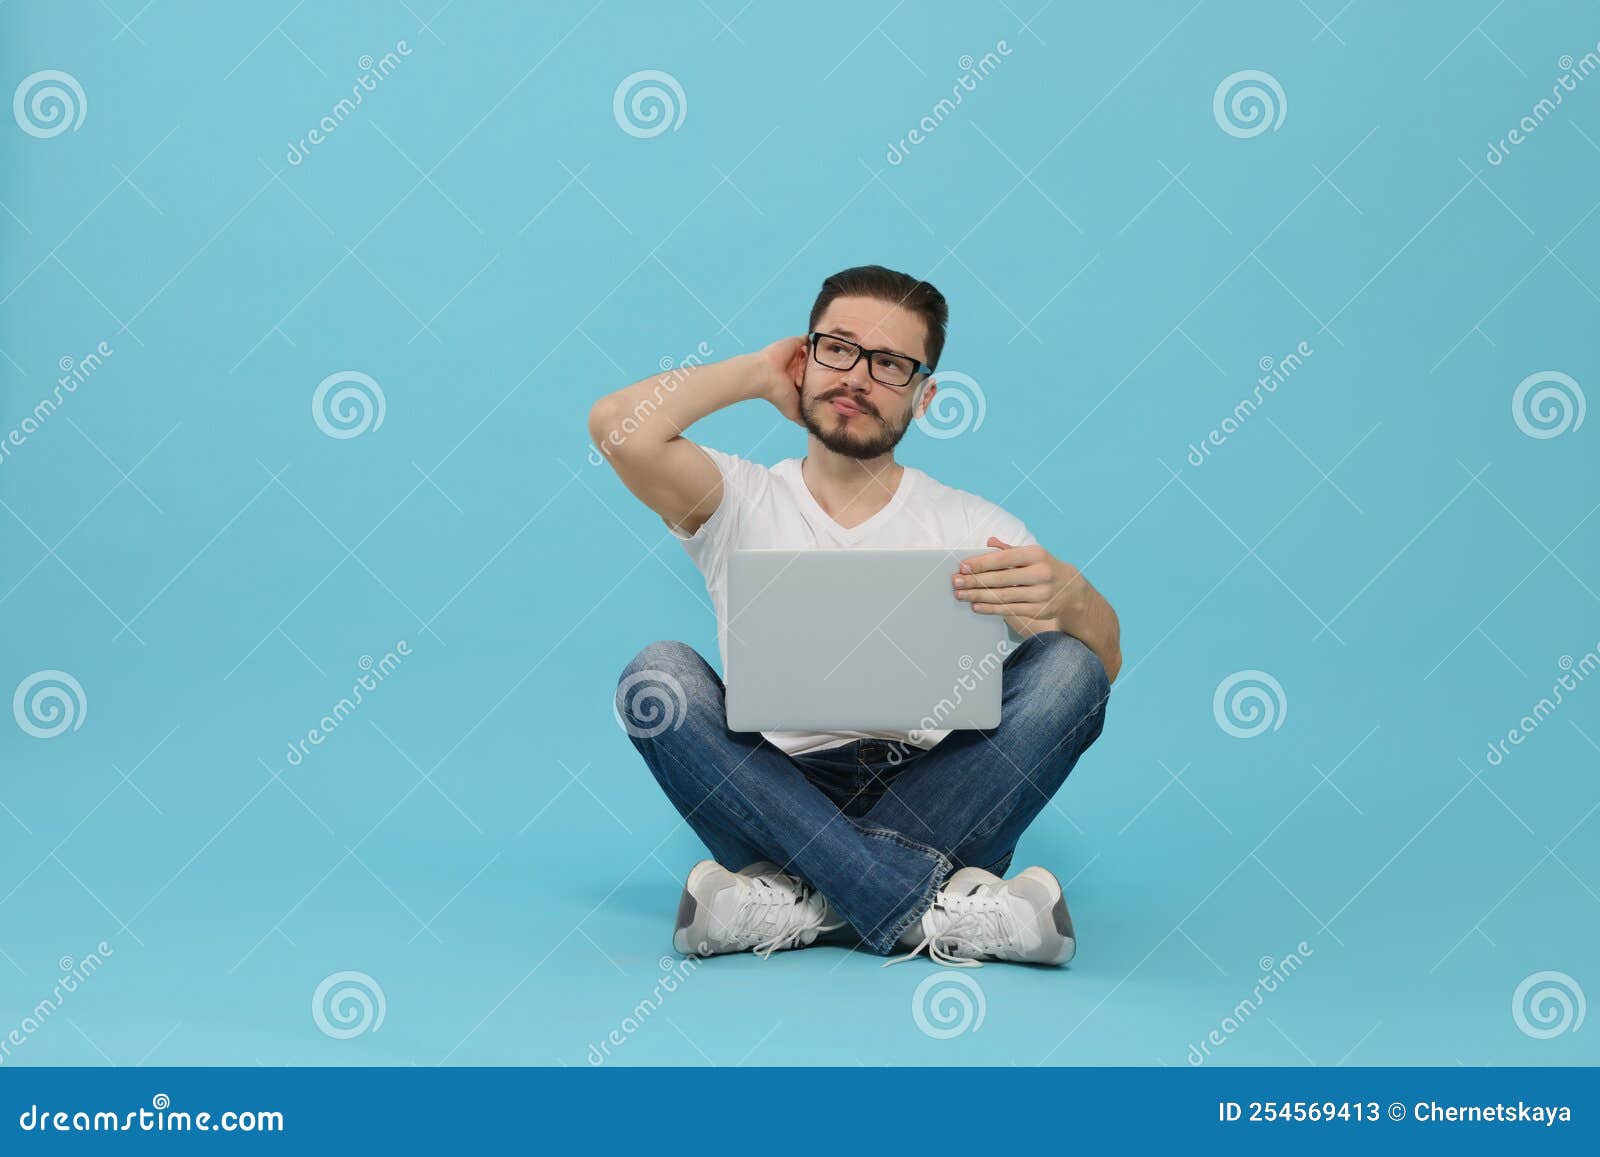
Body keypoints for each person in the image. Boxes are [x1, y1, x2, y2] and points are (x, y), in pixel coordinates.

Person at [588, 265, 1119, 967]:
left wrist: (1073, 597)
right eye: (837, 348)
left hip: (946, 795)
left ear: (924, 396)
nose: (858, 377)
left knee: (1070, 665)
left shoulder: (972, 521)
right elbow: (617, 429)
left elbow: (1093, 676)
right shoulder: (737, 500)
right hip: (771, 790)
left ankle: (803, 899)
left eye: (890, 363)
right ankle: (924, 908)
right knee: (655, 677)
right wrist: (753, 372)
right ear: (803, 360)